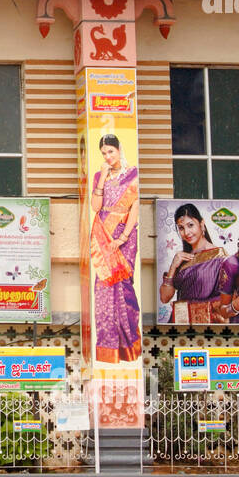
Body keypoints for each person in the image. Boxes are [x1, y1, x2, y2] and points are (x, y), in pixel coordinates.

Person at [90, 134, 141, 361]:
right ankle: (107, 348)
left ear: (119, 149)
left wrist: (123, 238)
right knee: (103, 288)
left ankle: (128, 346)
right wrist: (101, 180)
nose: (107, 156)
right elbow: (95, 206)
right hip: (103, 234)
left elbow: (135, 208)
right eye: (103, 153)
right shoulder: (99, 176)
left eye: (110, 151)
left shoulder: (133, 175)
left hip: (124, 237)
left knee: (123, 287)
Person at [158, 203, 228, 324]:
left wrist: (184, 308)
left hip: (204, 328)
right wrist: (173, 266)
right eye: (181, 228)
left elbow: (225, 300)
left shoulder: (219, 257)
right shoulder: (183, 258)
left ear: (201, 224)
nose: (186, 232)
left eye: (190, 225)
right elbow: (164, 298)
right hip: (177, 325)